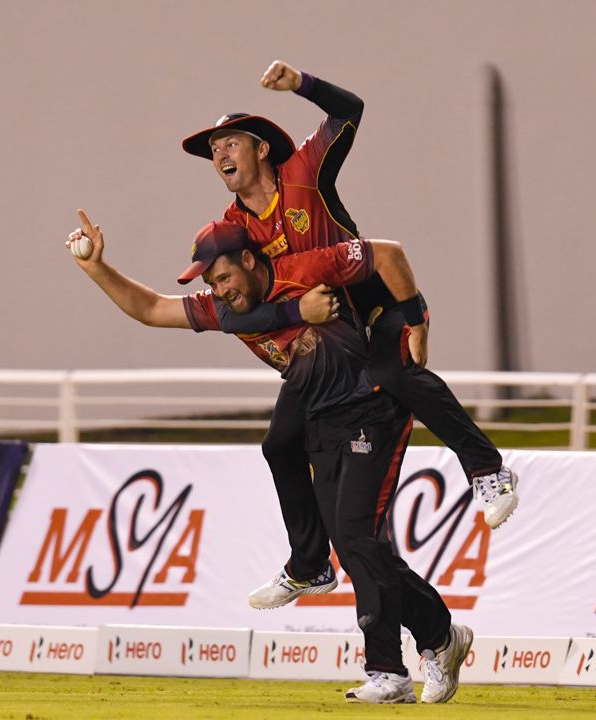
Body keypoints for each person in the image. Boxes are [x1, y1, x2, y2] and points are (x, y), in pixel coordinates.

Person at [66, 211, 473, 705]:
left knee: (356, 539)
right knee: (354, 546)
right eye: (211, 284)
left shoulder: (304, 272)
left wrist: (414, 322)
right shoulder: (229, 311)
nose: (219, 291)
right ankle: (439, 636)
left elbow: (384, 253)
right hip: (322, 423)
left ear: (248, 258)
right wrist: (97, 270)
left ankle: (389, 672)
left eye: (222, 277)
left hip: (373, 410)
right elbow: (152, 308)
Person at [181, 60, 519, 611]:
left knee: (394, 372)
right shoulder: (234, 229)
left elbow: (350, 110)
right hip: (328, 331)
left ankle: (489, 471)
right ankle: (310, 567)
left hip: (374, 298)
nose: (219, 154)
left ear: (261, 148)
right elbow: (229, 291)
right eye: (213, 148)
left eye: (230, 142)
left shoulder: (302, 171)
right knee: (278, 443)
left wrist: (301, 86)